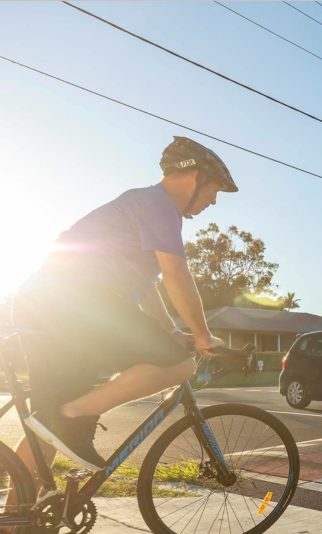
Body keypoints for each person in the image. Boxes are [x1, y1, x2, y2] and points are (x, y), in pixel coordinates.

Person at [12, 136, 236, 476]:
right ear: (193, 176)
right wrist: (203, 336)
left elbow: (147, 290)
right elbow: (177, 274)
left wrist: (171, 330)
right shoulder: (157, 205)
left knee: (46, 426)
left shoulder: (141, 207)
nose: (214, 201)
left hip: (46, 304)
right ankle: (73, 417)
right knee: (180, 366)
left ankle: (14, 526)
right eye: (214, 189)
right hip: (75, 305)